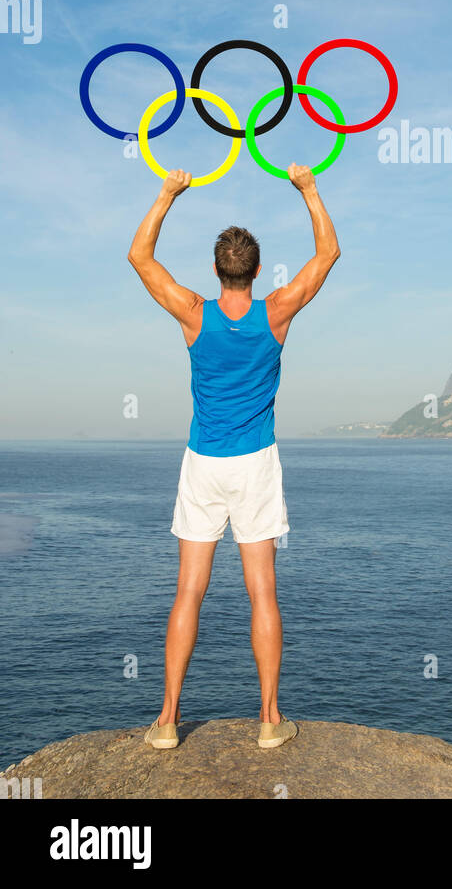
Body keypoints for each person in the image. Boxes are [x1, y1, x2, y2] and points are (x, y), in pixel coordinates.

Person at [126, 163, 340, 751]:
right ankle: (270, 721)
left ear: (219, 269)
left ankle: (167, 722)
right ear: (253, 269)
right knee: (262, 592)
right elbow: (328, 255)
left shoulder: (195, 313)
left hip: (203, 463)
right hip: (255, 465)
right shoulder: (277, 312)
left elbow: (139, 258)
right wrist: (308, 189)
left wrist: (168, 193)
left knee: (188, 591)